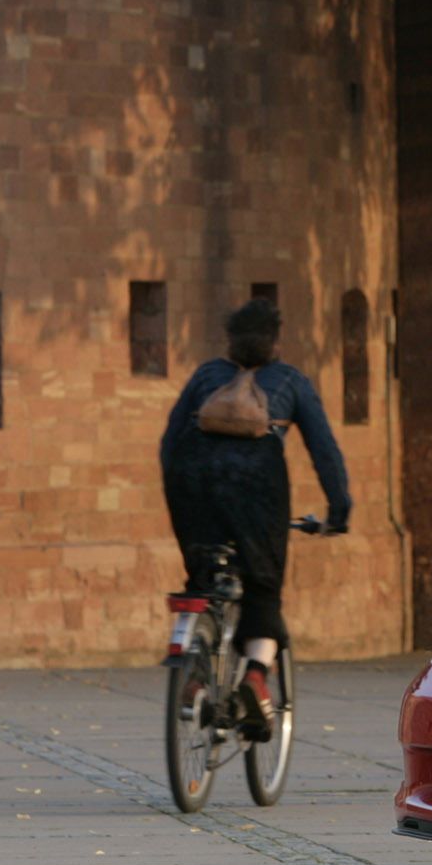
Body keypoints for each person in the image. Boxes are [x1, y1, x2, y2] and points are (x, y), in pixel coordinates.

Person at [158, 297, 349, 738]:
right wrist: (339, 510)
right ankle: (257, 678)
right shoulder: (290, 380)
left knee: (203, 579)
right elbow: (324, 450)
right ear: (275, 340)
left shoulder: (206, 375)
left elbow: (170, 442)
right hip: (256, 488)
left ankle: (195, 674)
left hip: (191, 482)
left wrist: (178, 493)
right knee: (263, 587)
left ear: (230, 340)